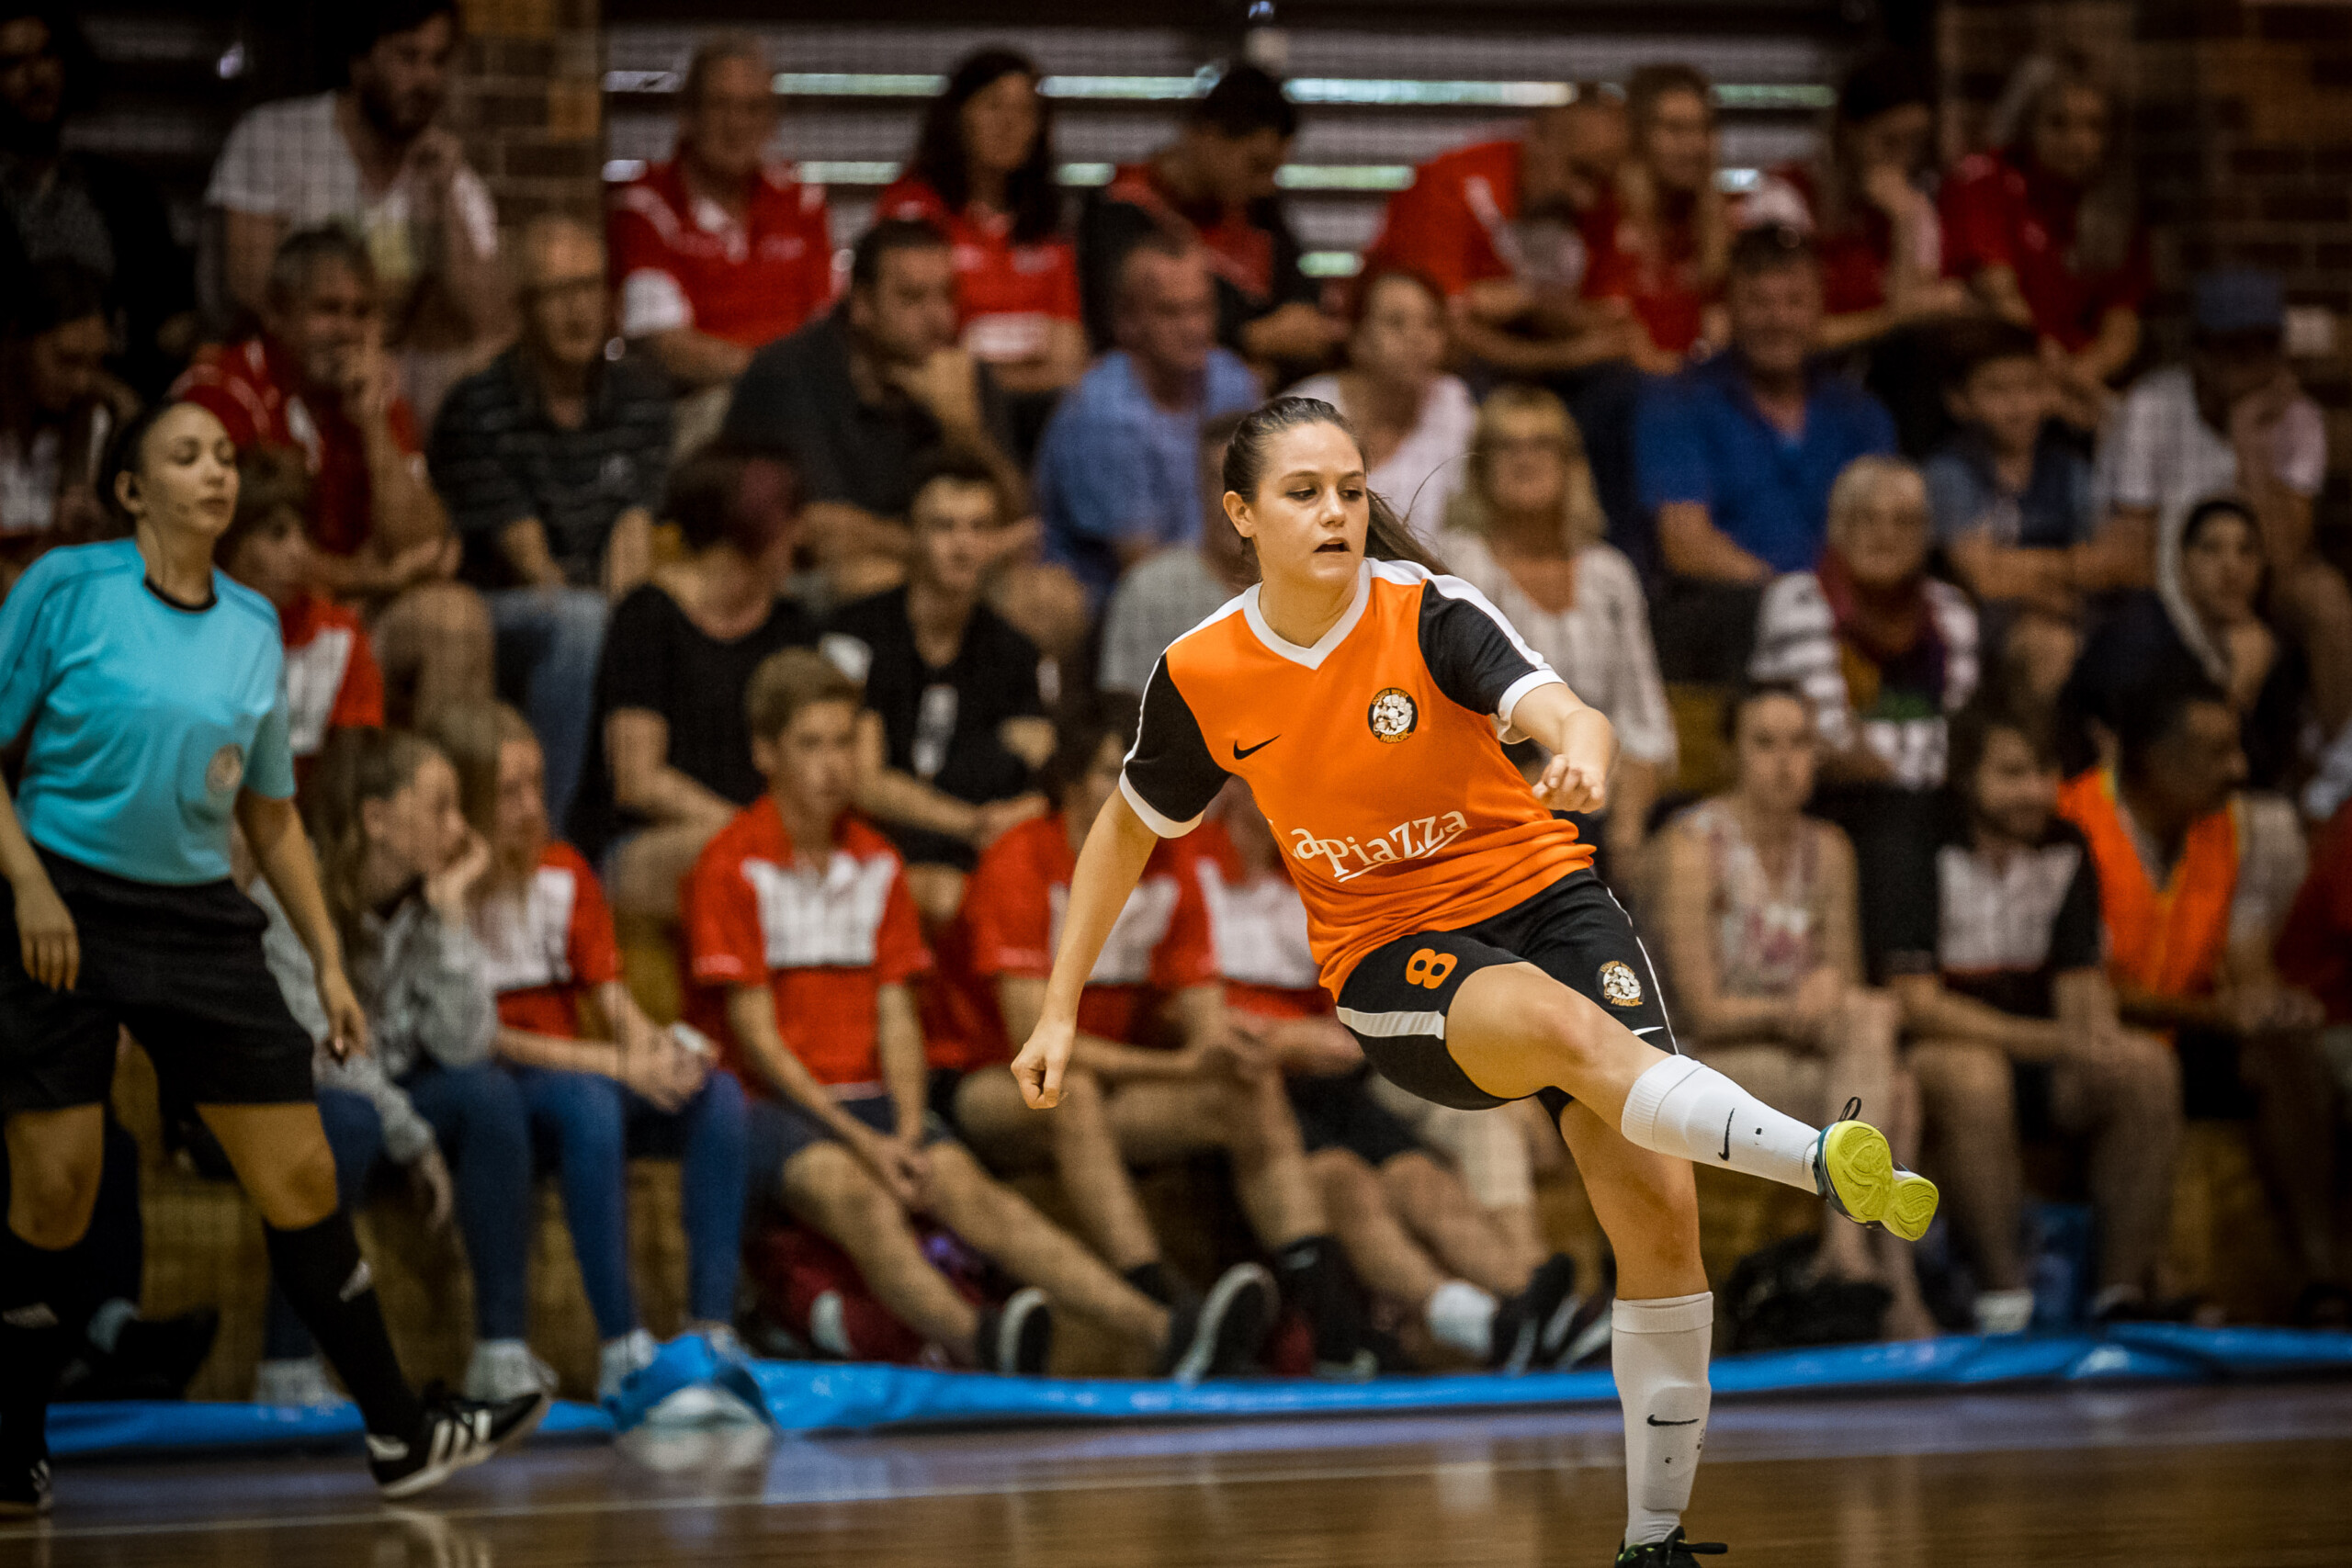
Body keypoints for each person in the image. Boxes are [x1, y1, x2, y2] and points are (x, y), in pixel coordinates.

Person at [1013, 396, 1935, 1565]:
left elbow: (1571, 716)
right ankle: (1818, 1159)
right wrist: (1057, 1007)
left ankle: (1654, 1537)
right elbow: (1123, 830)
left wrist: (1579, 757)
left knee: (1660, 1215)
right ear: (1240, 515)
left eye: (1351, 490)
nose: (1336, 513)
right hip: (1391, 954)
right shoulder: (1202, 672)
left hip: (1550, 902)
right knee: (1564, 1030)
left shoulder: (1430, 610)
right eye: (1303, 493)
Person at [0, 402, 543, 1514]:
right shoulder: (65, 589)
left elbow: (273, 814)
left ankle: (399, 1432)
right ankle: (11, 1438)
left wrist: (329, 964)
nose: (215, 472)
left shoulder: (252, 622)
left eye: (224, 457)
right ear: (131, 491)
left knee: (301, 1173)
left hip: (200, 916)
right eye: (186, 456)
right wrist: (27, 888)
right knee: (54, 1194)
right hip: (64, 901)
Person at [683, 649, 1275, 1380]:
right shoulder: (728, 863)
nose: (833, 765)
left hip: (876, 1098)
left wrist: (905, 1127)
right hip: (774, 1106)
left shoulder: (878, 860)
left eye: (843, 743)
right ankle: (984, 1340)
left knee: (970, 1192)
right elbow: (759, 1043)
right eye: (811, 745)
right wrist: (867, 1142)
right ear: (765, 753)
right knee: (861, 1196)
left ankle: (1167, 1332)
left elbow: (898, 1016)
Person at [926, 705, 1370, 1377]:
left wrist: (1227, 1051)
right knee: (1067, 1090)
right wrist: (1184, 1064)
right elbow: (1035, 1044)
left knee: (1246, 1084)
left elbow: (1204, 1016)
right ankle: (1168, 1310)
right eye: (1116, 770)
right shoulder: (1019, 860)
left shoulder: (1171, 861)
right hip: (992, 1083)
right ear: (1071, 781)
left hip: (1115, 1082)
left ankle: (1335, 1325)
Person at [1202, 782, 1585, 1371]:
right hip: (1253, 1084)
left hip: (1335, 1076)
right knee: (1345, 1181)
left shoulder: (1317, 876)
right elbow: (1180, 1005)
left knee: (1418, 1178)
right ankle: (1487, 1327)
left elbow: (1363, 1013)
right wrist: (1283, 1040)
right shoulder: (1191, 865)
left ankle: (1543, 1310)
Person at [429, 702, 749, 1400]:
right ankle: (621, 1347)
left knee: (717, 1092)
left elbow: (614, 1003)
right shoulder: (441, 892)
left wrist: (661, 1049)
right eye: (508, 792)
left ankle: (712, 1328)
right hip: (500, 1091)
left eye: (536, 785)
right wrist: (615, 1064)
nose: (529, 807)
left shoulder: (565, 869)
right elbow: (480, 1037)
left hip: (575, 1078)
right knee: (590, 1102)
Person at [278, 726, 567, 1402]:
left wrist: (451, 916)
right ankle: (285, 1366)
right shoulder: (293, 890)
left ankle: (501, 1354)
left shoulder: (425, 896)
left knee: (488, 1094)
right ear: (376, 818)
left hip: (386, 1093)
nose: (460, 828)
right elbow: (325, 1054)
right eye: (441, 807)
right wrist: (413, 1139)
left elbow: (465, 1045)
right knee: (346, 1118)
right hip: (293, 1095)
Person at [1647, 684, 1934, 1341]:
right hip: (1695, 1058)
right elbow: (1701, 1011)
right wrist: (1790, 1011)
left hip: (1798, 1051)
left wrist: (1828, 991)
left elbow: (1846, 988)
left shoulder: (1829, 849)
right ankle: (1883, 1273)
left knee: (1878, 1042)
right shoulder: (1690, 846)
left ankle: (1856, 1258)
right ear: (1731, 754)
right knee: (1896, 1092)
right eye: (1765, 744)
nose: (1784, 763)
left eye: (1800, 744)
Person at [1886, 702, 2183, 1330]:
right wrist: (2051, 1040)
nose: (2036, 791)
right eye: (2013, 773)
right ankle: (2006, 1299)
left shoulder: (2066, 844)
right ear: (1966, 776)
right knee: (1975, 1073)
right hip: (1936, 1056)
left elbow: (2081, 990)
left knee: (2145, 1066)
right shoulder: (1916, 840)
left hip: (2040, 1056)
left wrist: (2093, 1039)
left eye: (2046, 772)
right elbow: (1918, 1004)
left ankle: (2122, 1295)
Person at [2056, 682, 2342, 1322]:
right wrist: (2216, 1015)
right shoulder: (2073, 823)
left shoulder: (2234, 825)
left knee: (2286, 1045)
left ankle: (2322, 1274)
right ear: (2155, 760)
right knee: (2141, 1070)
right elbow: (2080, 990)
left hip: (2189, 1027)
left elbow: (2244, 953)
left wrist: (2269, 1003)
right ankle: (2145, 1276)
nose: (2237, 768)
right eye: (2215, 753)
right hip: (2095, 1028)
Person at [174, 225, 490, 729]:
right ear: (277, 313)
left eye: (362, 313)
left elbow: (421, 543)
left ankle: (425, 782)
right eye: (328, 310)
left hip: (338, 615)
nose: (348, 330)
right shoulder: (222, 394)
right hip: (236, 627)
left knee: (453, 618)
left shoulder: (369, 393)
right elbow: (241, 557)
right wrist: (376, 577)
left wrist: (373, 424)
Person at [429, 216, 673, 828]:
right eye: (557, 293)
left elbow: (632, 529)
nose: (578, 309)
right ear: (522, 308)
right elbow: (529, 558)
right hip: (504, 606)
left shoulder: (640, 396)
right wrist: (608, 620)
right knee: (579, 621)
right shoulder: (479, 405)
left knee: (653, 618)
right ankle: (546, 835)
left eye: (589, 287)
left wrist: (632, 624)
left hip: (596, 597)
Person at [2095, 268, 2350, 780]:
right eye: (2233, 347)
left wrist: (2250, 444)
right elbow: (2132, 548)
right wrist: (2207, 618)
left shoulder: (2296, 419)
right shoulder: (2152, 406)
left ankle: (2339, 769)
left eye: (2264, 345)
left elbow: (2287, 559)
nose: (2249, 362)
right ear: (2200, 350)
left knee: (2324, 595)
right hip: (2166, 579)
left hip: (2252, 585)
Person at [205, 1, 507, 417]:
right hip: (282, 386)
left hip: (393, 395)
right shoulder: (275, 139)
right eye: (408, 57)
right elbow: (250, 287)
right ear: (360, 62)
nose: (426, 79)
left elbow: (490, 319)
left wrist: (445, 200)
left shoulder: (448, 173)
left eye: (438, 61)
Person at [1748, 456, 1978, 979]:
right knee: (1896, 820)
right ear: (1839, 528)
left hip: (1931, 796)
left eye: (1904, 522)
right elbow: (1826, 740)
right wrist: (1914, 752)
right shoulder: (1799, 601)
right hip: (1827, 796)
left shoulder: (1952, 612)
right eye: (1868, 519)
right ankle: (1903, 984)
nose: (1886, 536)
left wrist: (1885, 751)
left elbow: (1964, 738)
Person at [1636, 225, 1896, 682]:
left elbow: (1888, 532)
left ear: (1820, 309)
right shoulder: (1678, 403)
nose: (1778, 319)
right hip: (1731, 625)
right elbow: (1686, 544)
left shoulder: (1860, 413)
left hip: (1850, 616)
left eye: (1794, 302)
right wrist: (1797, 597)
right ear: (1729, 308)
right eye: (1758, 302)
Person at [720, 218, 1024, 604]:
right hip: (800, 584)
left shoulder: (962, 375)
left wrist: (966, 433)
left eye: (947, 296)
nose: (939, 319)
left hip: (942, 572)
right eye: (912, 299)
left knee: (1046, 598)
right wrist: (953, 550)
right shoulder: (788, 374)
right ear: (862, 305)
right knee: (872, 581)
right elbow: (823, 530)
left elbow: (1018, 523)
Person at [569, 446, 816, 921]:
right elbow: (638, 781)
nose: (801, 536)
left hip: (763, 831)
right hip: (644, 839)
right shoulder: (648, 617)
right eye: (789, 520)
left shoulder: (793, 625)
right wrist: (749, 830)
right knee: (738, 859)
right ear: (748, 530)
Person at [1438, 386, 1675, 876]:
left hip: (1603, 802)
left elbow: (1646, 722)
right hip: (1492, 804)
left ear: (1571, 465)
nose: (1525, 459)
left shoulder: (1609, 573)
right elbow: (1455, 710)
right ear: (1480, 468)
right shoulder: (1457, 563)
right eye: (1507, 446)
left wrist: (1627, 827)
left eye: (1542, 444)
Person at [819, 452, 1052, 923]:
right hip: (861, 846)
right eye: (944, 527)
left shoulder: (1017, 653)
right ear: (911, 535)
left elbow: (1046, 778)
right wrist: (970, 822)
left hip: (974, 853)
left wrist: (1008, 817)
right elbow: (860, 781)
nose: (963, 546)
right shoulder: (856, 634)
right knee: (948, 896)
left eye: (979, 528)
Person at [1035, 238, 1261, 604]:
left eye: (1201, 308)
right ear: (1127, 321)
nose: (1193, 328)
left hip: (1219, 579)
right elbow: (1143, 568)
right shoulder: (1102, 412)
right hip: (1122, 602)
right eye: (1171, 312)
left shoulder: (1232, 383)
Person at [608, 35, 832, 401]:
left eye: (753, 108)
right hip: (696, 401)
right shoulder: (646, 205)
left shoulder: (803, 201)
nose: (737, 124)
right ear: (688, 115)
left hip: (798, 401)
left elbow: (826, 329)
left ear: (771, 121)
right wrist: (775, 378)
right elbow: (663, 345)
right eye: (720, 105)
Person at [1076, 63, 1337, 371]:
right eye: (1257, 164)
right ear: (1207, 136)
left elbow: (1300, 299)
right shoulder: (1121, 204)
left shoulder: (1258, 208)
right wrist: (1249, 339)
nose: (1268, 184)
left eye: (1275, 170)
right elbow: (1122, 323)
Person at [1359, 89, 1635, 379]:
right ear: (1538, 141)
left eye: (1604, 180)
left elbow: (1612, 326)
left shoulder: (1606, 204)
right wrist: (1561, 350)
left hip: (1559, 367)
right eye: (1579, 171)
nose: (1587, 198)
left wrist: (1531, 302)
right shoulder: (1447, 185)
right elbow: (1439, 333)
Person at [1940, 51, 2149, 429]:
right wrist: (2064, 388)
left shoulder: (2113, 202)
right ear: (2025, 123)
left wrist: (2084, 379)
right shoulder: (1984, 180)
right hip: (1994, 391)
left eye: (2095, 126)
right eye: (2058, 123)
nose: (2078, 141)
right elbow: (2002, 299)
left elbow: (2122, 328)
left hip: (2074, 387)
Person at [0, 6, 192, 398]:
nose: (37, 76)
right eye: (13, 63)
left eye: (47, 55)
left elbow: (170, 316)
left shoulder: (124, 193)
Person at [2060, 497, 2308, 794]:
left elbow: (2266, 774)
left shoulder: (2271, 645)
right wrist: (2239, 690)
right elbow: (2172, 772)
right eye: (2211, 549)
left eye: (2246, 551)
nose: (2232, 567)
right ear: (2182, 562)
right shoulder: (2136, 637)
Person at [1922, 319, 2111, 708]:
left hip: (2074, 615)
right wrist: (2070, 568)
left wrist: (2023, 570)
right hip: (1981, 632)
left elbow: (2111, 565)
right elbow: (1984, 578)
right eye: (1997, 390)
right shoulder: (1949, 471)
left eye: (2030, 387)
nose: (2017, 406)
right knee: (2050, 644)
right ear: (1959, 401)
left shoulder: (2069, 468)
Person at [876, 49, 1085, 400]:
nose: (1009, 123)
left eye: (1025, 110)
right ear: (958, 116)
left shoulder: (1047, 221)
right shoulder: (913, 209)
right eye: (993, 106)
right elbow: (912, 356)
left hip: (1038, 413)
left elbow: (1069, 358)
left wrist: (975, 365)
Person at [1740, 50, 1965, 353]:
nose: (1903, 158)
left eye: (1914, 142)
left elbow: (1915, 335)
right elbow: (1786, 332)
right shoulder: (1785, 197)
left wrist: (1904, 225)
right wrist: (1894, 319)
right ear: (1848, 132)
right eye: (1889, 141)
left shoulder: (1911, 206)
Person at [217, 448, 384, 786]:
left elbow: (354, 774)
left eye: (304, 534)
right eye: (277, 534)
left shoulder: (339, 635)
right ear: (229, 541)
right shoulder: (191, 632)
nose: (299, 552)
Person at [1285, 268, 1477, 542]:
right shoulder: (1304, 414)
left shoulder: (1452, 404)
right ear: (1358, 338)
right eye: (1396, 323)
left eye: (1431, 323)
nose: (1417, 337)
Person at [1096, 410, 1256, 699]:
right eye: (1221, 482)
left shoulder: (1317, 591)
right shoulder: (1149, 592)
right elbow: (1126, 712)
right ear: (1200, 488)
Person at [1588, 63, 1727, 369]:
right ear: (1638, 135)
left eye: (1703, 129)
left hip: (1700, 386)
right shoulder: (1602, 214)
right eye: (1675, 129)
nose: (1694, 146)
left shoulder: (1726, 224)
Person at [0, 260, 127, 587]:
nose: (81, 382)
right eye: (66, 360)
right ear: (20, 341)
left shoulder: (96, 420)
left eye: (93, 363)